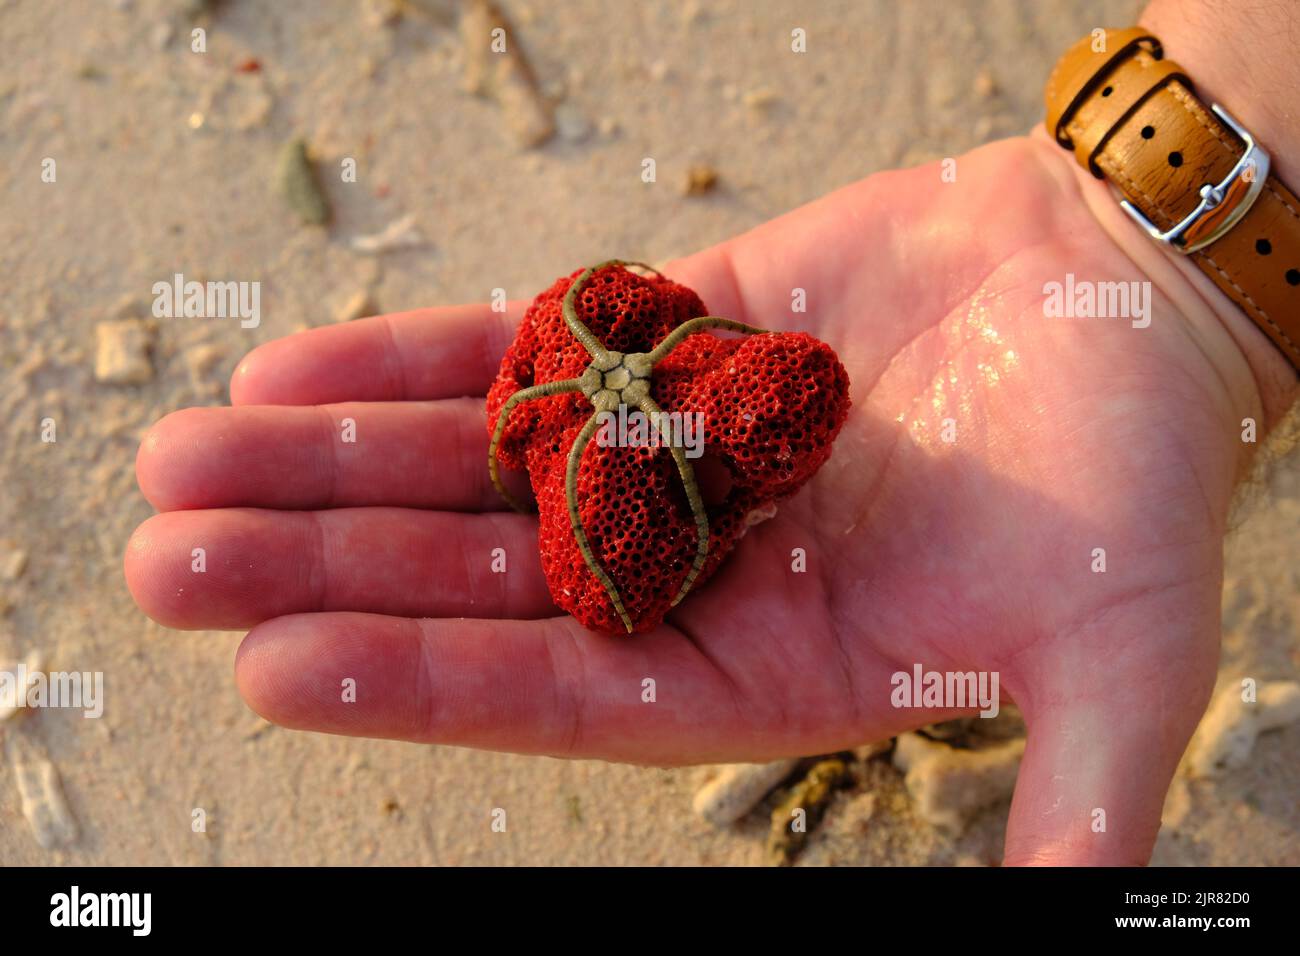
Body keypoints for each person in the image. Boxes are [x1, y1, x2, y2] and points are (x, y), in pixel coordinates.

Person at [124, 0, 1298, 865]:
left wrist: (1147, 271)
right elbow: (578, 416)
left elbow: (592, 387)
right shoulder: (613, 363)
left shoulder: (631, 352)